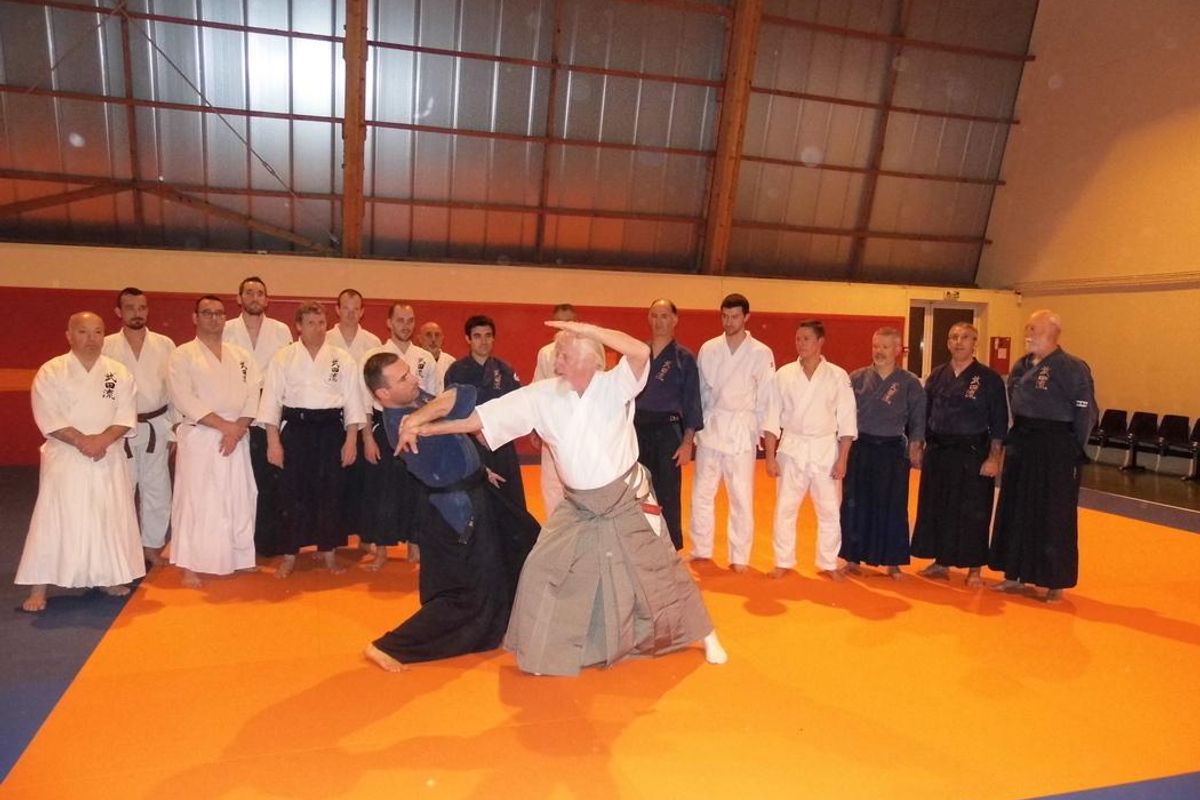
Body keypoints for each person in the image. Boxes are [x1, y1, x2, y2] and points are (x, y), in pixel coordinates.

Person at [399, 320, 726, 676]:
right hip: (579, 506)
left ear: (590, 360)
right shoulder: (542, 395)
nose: (556, 364)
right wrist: (428, 427)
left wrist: (586, 328)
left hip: (627, 497)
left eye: (564, 356)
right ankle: (546, 650)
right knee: (542, 565)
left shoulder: (614, 385)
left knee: (659, 568)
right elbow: (478, 418)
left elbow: (640, 351)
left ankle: (705, 633)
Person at [361, 352, 540, 670]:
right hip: (455, 511)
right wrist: (416, 422)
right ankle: (390, 646)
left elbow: (462, 395)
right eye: (403, 378)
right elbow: (448, 450)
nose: (414, 379)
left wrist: (482, 470)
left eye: (409, 372)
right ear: (383, 395)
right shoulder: (401, 427)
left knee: (508, 558)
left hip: (475, 493)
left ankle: (493, 630)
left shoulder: (416, 405)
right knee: (464, 592)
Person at [16, 312, 144, 612]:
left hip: (107, 454)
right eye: (83, 332)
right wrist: (82, 441)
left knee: (106, 516)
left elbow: (125, 416)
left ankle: (108, 575)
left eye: (98, 332)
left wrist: (101, 441)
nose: (91, 338)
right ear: (69, 336)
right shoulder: (52, 371)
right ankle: (40, 586)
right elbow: (48, 415)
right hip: (66, 455)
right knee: (55, 517)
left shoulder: (118, 372)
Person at [989, 310, 1097, 602]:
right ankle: (1013, 573)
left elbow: (1085, 412)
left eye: (1033, 328)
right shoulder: (1022, 365)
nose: (1028, 333)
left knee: (1054, 513)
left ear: (1052, 332)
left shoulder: (1073, 367)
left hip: (1057, 446)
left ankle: (1054, 581)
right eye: (1028, 328)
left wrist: (1074, 447)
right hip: (1023, 442)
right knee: (1016, 508)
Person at [257, 301, 365, 577]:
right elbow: (271, 400)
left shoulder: (342, 358)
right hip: (296, 428)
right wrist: (273, 441)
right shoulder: (284, 357)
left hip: (331, 429)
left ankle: (328, 552)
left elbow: (353, 400)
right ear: (298, 327)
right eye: (311, 324)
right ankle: (290, 554)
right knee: (292, 492)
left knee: (331, 491)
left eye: (321, 323)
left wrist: (351, 439)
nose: (317, 329)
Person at [166, 296, 262, 587]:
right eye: (207, 313)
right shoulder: (181, 356)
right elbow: (183, 397)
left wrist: (237, 428)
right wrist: (224, 427)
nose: (214, 319)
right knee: (197, 499)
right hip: (201, 436)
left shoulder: (241, 355)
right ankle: (190, 563)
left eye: (219, 313)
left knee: (240, 496)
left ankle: (239, 556)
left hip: (236, 434)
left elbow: (253, 392)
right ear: (195, 318)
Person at [911, 322, 1008, 587]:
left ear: (975, 342)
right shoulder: (937, 375)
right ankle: (941, 561)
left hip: (973, 453)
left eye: (965, 337)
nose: (958, 342)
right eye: (953, 337)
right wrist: (918, 445)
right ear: (947, 342)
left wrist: (994, 457)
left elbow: (999, 422)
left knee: (973, 512)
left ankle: (974, 567)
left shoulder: (988, 378)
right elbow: (924, 414)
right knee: (937, 506)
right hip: (939, 451)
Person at [763, 320, 857, 580]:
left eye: (806, 339)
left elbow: (847, 421)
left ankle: (828, 562)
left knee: (828, 509)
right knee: (785, 508)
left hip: (825, 449)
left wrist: (843, 460)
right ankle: (783, 560)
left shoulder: (838, 376)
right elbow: (771, 418)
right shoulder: (783, 374)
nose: (801, 344)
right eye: (798, 339)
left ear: (820, 342)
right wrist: (770, 457)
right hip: (792, 448)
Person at [690, 294, 775, 572]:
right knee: (703, 491)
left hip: (741, 429)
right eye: (725, 316)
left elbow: (766, 397)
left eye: (735, 317)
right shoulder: (709, 348)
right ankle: (701, 548)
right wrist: (695, 427)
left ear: (747, 317)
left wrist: (763, 432)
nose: (729, 322)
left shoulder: (761, 352)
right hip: (712, 425)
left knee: (740, 495)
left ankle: (740, 556)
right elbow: (701, 391)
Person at [355, 303, 439, 567]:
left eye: (410, 320)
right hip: (385, 426)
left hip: (419, 426)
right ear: (389, 323)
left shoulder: (424, 358)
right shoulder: (375, 356)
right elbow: (364, 402)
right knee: (384, 491)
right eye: (400, 320)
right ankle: (381, 551)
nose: (406, 325)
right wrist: (368, 438)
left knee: (418, 488)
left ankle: (416, 547)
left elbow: (435, 398)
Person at [839, 328, 925, 580]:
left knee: (893, 506)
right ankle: (852, 556)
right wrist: (841, 448)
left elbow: (918, 418)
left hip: (892, 450)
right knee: (856, 503)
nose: (879, 351)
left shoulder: (909, 382)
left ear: (898, 350)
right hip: (861, 447)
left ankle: (893, 560)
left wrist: (916, 444)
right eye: (876, 346)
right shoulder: (856, 378)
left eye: (886, 347)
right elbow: (843, 415)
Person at [102, 287, 176, 566]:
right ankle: (122, 549)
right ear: (119, 312)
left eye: (142, 307)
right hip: (119, 429)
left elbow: (173, 388)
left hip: (157, 424)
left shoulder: (165, 344)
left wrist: (174, 429)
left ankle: (151, 546)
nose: (137, 313)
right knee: (122, 489)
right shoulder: (106, 345)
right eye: (130, 308)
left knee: (158, 489)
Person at [223, 276, 292, 557]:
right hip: (234, 412)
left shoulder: (280, 330)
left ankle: (266, 541)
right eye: (248, 293)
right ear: (238, 298)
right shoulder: (226, 330)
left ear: (267, 299)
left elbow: (288, 372)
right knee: (235, 480)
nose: (254, 297)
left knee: (269, 479)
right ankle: (234, 542)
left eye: (259, 293)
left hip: (270, 413)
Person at [634, 299, 703, 551]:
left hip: (668, 431)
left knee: (667, 492)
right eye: (654, 315)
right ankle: (638, 543)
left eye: (664, 316)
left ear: (675, 320)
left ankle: (669, 547)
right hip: (637, 428)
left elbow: (692, 401)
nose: (659, 321)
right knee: (636, 489)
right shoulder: (637, 353)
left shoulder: (684, 358)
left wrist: (687, 443)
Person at [444, 315, 527, 510]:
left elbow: (517, 406)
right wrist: (475, 432)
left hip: (501, 442)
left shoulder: (505, 370)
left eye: (488, 336)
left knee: (509, 498)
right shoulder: (456, 371)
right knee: (476, 499)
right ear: (468, 339)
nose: (484, 341)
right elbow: (452, 411)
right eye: (478, 336)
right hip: (470, 443)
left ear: (494, 339)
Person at [325, 289, 382, 544]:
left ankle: (364, 535)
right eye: (345, 308)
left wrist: (368, 434)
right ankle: (332, 537)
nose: (350, 313)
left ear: (362, 311)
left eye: (355, 308)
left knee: (364, 481)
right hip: (331, 420)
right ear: (337, 310)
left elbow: (375, 388)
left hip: (365, 419)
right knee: (333, 482)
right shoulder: (324, 339)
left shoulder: (373, 343)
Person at [529, 303, 575, 516]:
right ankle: (556, 536)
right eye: (560, 322)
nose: (565, 326)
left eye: (569, 321)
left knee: (578, 483)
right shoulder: (545, 353)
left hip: (579, 429)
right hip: (551, 427)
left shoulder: (590, 351)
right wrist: (534, 427)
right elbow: (536, 391)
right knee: (551, 485)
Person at [419, 321, 456, 388]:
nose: (433, 339)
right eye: (428, 335)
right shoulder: (414, 361)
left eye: (437, 335)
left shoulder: (451, 363)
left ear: (442, 338)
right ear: (420, 339)